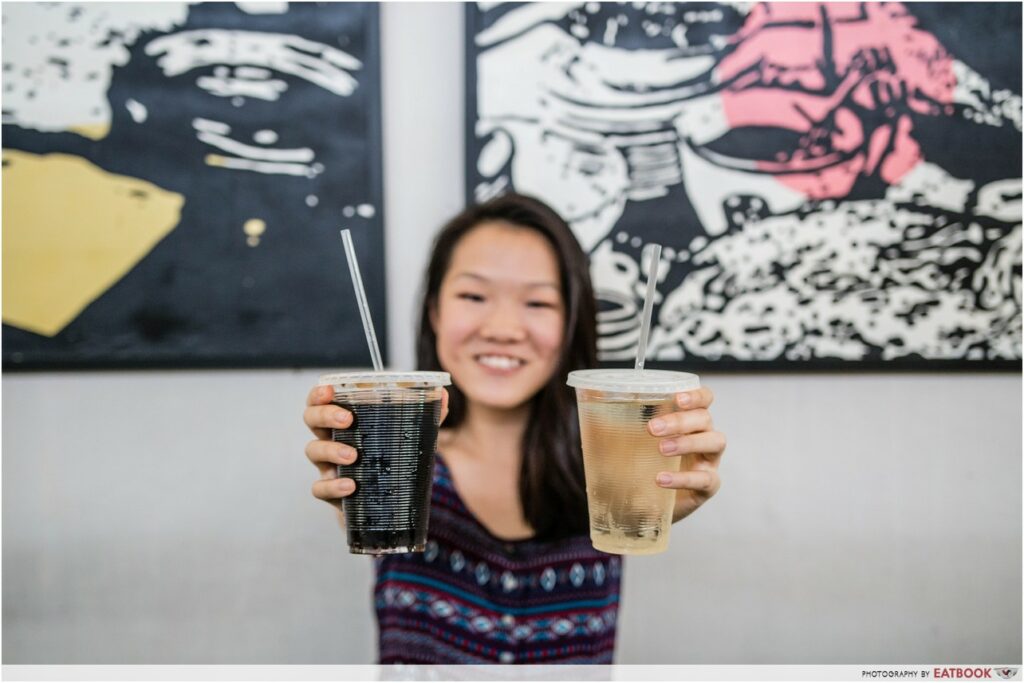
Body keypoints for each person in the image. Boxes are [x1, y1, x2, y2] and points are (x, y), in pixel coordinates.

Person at [303, 193, 727, 664]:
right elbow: (363, 509)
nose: (504, 328)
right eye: (473, 295)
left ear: (571, 322)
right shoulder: (398, 467)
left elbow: (644, 504)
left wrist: (665, 489)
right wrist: (354, 477)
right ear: (435, 312)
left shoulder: (611, 467)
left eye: (538, 302)